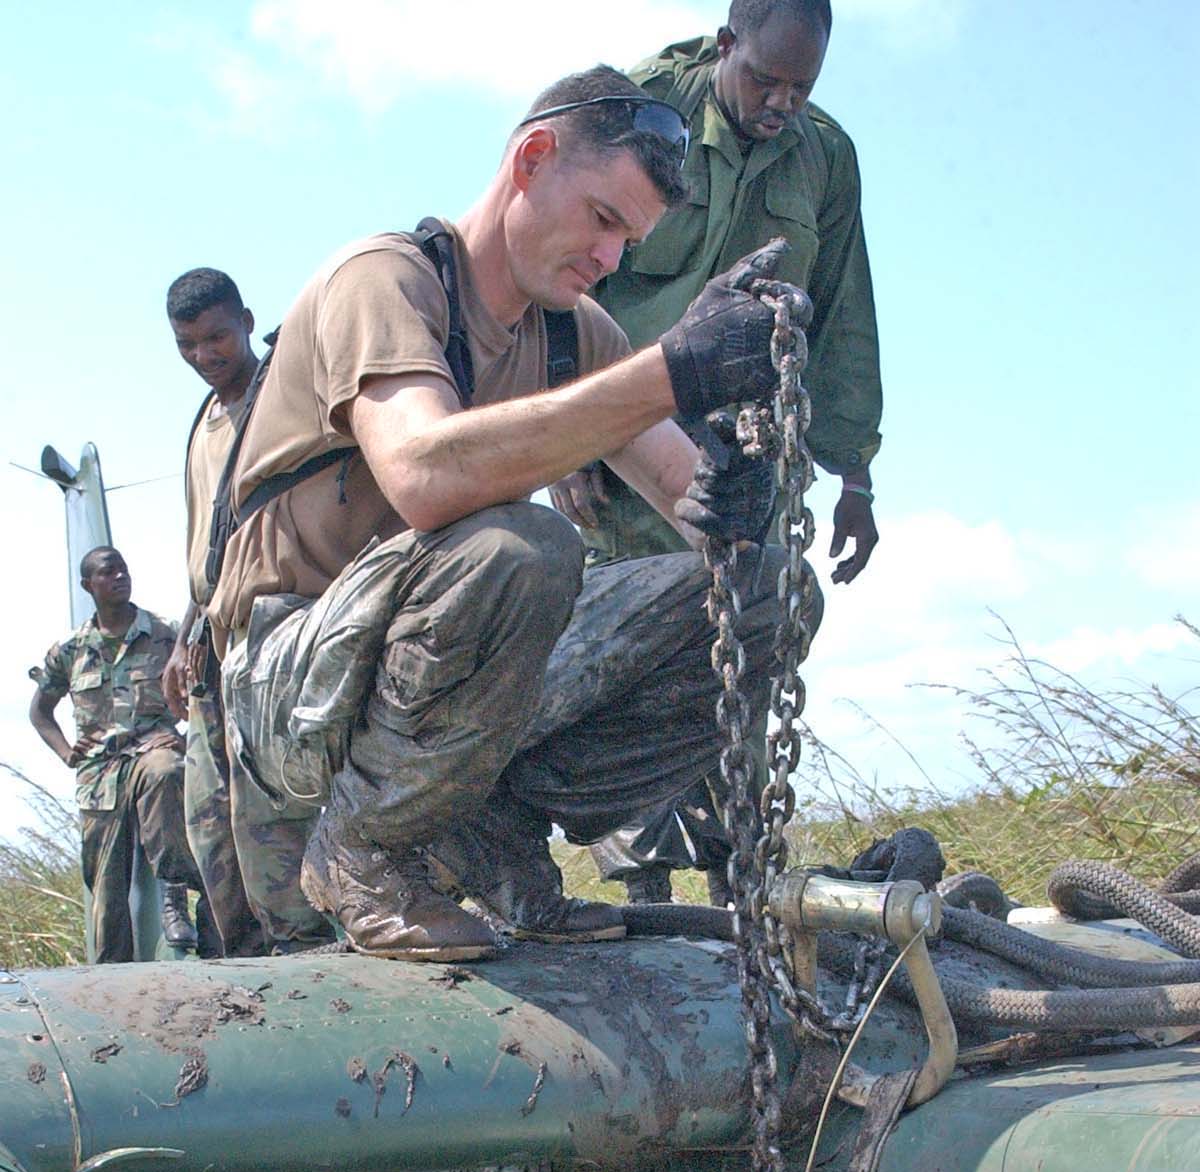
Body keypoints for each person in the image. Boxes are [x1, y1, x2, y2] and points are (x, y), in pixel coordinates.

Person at [207, 64, 823, 962]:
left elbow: (684, 496)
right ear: (531, 159)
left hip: (420, 683)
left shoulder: (573, 329)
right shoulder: (384, 280)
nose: (610, 259)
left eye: (629, 241)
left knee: (768, 590)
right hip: (289, 689)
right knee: (523, 547)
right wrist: (670, 370)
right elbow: (422, 473)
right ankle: (365, 851)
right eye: (603, 221)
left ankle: (493, 829)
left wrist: (736, 495)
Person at [552, 0, 880, 903]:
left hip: (749, 456)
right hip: (622, 443)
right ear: (725, 43)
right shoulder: (636, 111)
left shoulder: (825, 155)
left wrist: (855, 473)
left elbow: (846, 305)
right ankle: (647, 905)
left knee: (746, 645)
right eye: (764, 79)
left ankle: (747, 893)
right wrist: (566, 439)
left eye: (800, 87)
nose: (779, 102)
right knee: (633, 659)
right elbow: (555, 272)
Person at [162, 267, 267, 957]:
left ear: (248, 322)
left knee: (273, 827)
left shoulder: (282, 397)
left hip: (272, 638)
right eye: (188, 344)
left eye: (218, 337)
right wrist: (182, 635)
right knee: (212, 828)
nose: (205, 356)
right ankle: (244, 977)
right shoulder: (203, 420)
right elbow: (206, 546)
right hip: (210, 646)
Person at [29, 548, 202, 962]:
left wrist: (186, 737)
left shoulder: (165, 635)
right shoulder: (70, 650)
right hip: (100, 775)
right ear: (89, 585)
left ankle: (176, 896)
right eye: (109, 572)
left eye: (123, 569)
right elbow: (39, 712)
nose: (120, 576)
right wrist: (68, 753)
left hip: (151, 748)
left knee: (165, 771)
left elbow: (202, 694)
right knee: (106, 893)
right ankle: (112, 980)